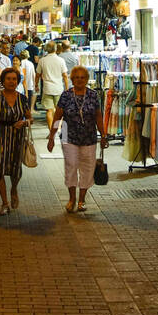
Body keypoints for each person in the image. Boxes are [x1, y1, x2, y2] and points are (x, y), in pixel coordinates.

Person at [48, 66, 108, 214]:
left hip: (89, 137)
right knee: (71, 166)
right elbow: (57, 117)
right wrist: (52, 136)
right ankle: (71, 199)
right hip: (69, 136)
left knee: (87, 169)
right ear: (72, 79)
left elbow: (98, 116)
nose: (79, 80)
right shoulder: (66, 95)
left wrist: (103, 135)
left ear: (87, 79)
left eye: (82, 77)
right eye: (76, 77)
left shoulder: (94, 95)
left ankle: (82, 200)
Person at [0, 68, 32, 215]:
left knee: (16, 170)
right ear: (3, 81)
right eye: (8, 79)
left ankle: (14, 188)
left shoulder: (22, 99)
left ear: (17, 81)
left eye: (14, 79)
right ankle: (4, 203)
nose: (11, 81)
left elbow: (30, 118)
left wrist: (24, 122)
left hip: (17, 138)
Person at [37, 42, 68, 132]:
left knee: (49, 111)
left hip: (47, 88)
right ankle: (58, 129)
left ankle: (51, 131)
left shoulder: (42, 60)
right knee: (59, 110)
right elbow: (65, 75)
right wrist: (66, 88)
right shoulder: (61, 60)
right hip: (58, 88)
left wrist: (36, 85)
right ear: (55, 49)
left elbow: (38, 74)